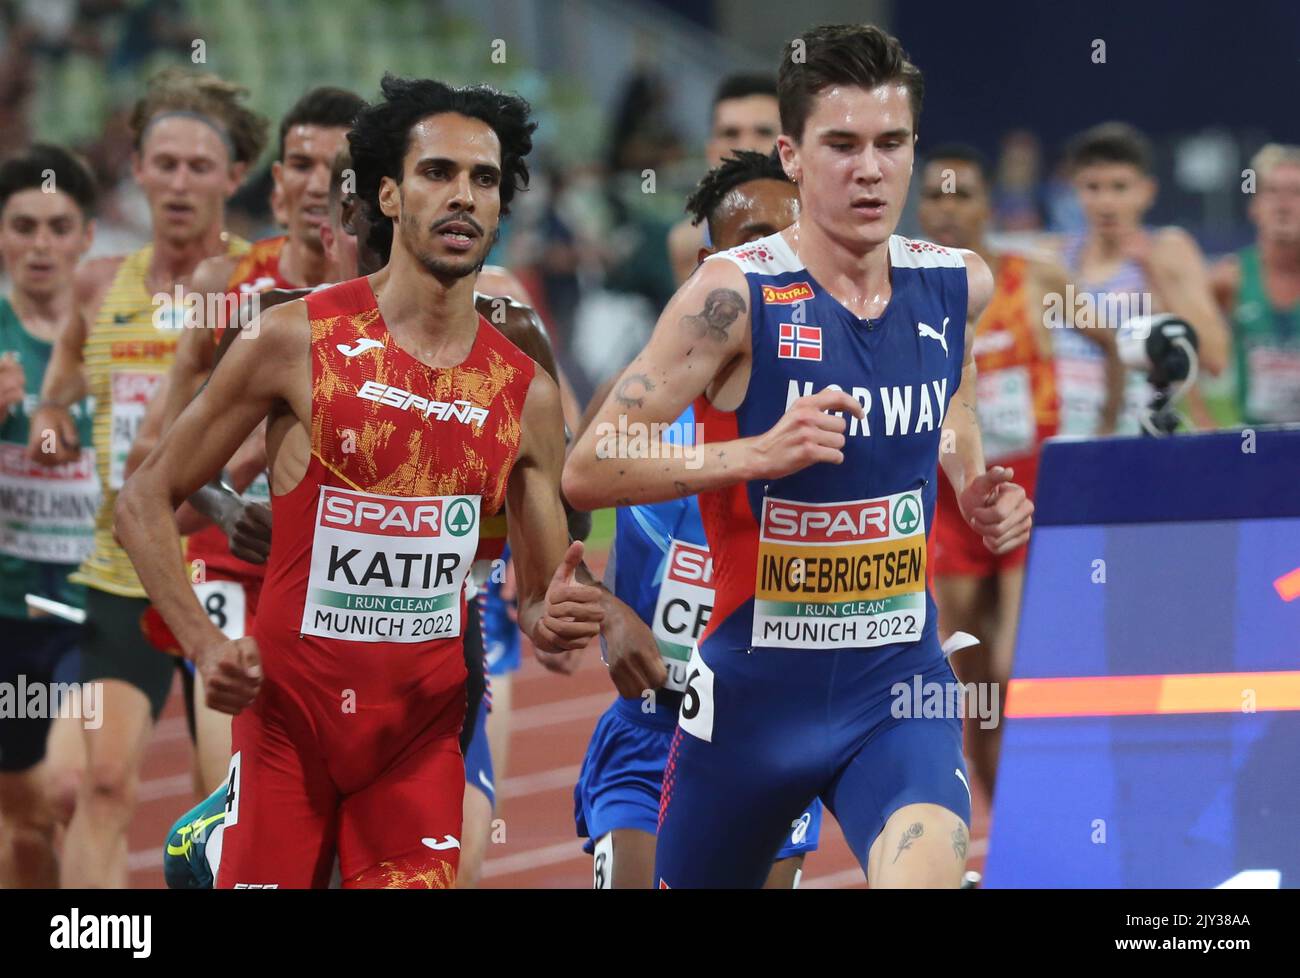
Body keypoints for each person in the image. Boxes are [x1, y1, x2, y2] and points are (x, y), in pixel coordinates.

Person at [566, 24, 1034, 888]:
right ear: (792, 153)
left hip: (900, 688)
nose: (869, 169)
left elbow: (954, 391)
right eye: (842, 144)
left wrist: (967, 480)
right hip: (752, 704)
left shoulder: (956, 281)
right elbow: (590, 466)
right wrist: (751, 453)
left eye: (891, 144)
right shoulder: (730, 295)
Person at [118, 75, 611, 888]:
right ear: (387, 192)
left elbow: (540, 591)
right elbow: (145, 496)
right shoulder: (291, 337)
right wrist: (204, 646)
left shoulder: (525, 392)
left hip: (418, 740)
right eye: (438, 173)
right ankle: (218, 834)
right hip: (287, 734)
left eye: (484, 180)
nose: (463, 197)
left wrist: (561, 616)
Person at [28, 67, 267, 888]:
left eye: (200, 166)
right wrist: (52, 430)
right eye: (163, 163)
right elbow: (55, 401)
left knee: (221, 801)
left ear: (235, 176)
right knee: (93, 785)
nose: (178, 182)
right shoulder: (98, 284)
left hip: (222, 574)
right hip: (120, 571)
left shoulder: (263, 287)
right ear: (135, 170)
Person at [574, 149, 826, 888]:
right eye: (755, 243)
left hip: (769, 737)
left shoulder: (835, 405)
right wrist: (604, 609)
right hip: (651, 731)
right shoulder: (641, 396)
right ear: (712, 263)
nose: (778, 261)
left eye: (794, 240)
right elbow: (558, 508)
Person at [126, 87, 364, 797]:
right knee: (229, 782)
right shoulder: (224, 286)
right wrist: (232, 507)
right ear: (276, 180)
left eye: (337, 165)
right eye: (299, 162)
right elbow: (158, 468)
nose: (317, 182)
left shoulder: (399, 302)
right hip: (230, 566)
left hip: (343, 576)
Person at [917, 143, 1120, 799]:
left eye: (962, 195)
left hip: (1027, 489)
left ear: (987, 206)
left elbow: (1108, 345)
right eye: (936, 196)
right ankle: (1008, 822)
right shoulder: (907, 289)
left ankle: (1058, 796)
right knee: (972, 686)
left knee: (1013, 662)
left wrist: (1101, 441)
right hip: (951, 500)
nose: (948, 210)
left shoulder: (1034, 279)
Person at [0, 145, 99, 887]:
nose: (41, 245)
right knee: (27, 822)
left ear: (87, 236)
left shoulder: (121, 341)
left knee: (75, 792)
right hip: (7, 617)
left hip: (90, 613)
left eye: (59, 226)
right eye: (23, 225)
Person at [1050, 121, 1228, 435]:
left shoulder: (1167, 250)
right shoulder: (1054, 259)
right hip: (1068, 436)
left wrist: (1154, 271)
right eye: (1093, 187)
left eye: (1120, 187)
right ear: (1076, 190)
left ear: (1147, 191)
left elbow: (1215, 358)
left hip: (1146, 434)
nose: (1106, 202)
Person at [1209, 143, 1300, 426]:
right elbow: (1184, 347)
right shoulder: (1227, 279)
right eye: (1271, 192)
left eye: (1296, 193)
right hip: (1254, 444)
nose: (1283, 204)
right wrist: (1202, 424)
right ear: (1254, 206)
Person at [666, 74, 781, 286]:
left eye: (763, 132)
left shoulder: (827, 236)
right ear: (710, 152)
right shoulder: (686, 244)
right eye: (730, 133)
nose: (746, 147)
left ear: (791, 147)